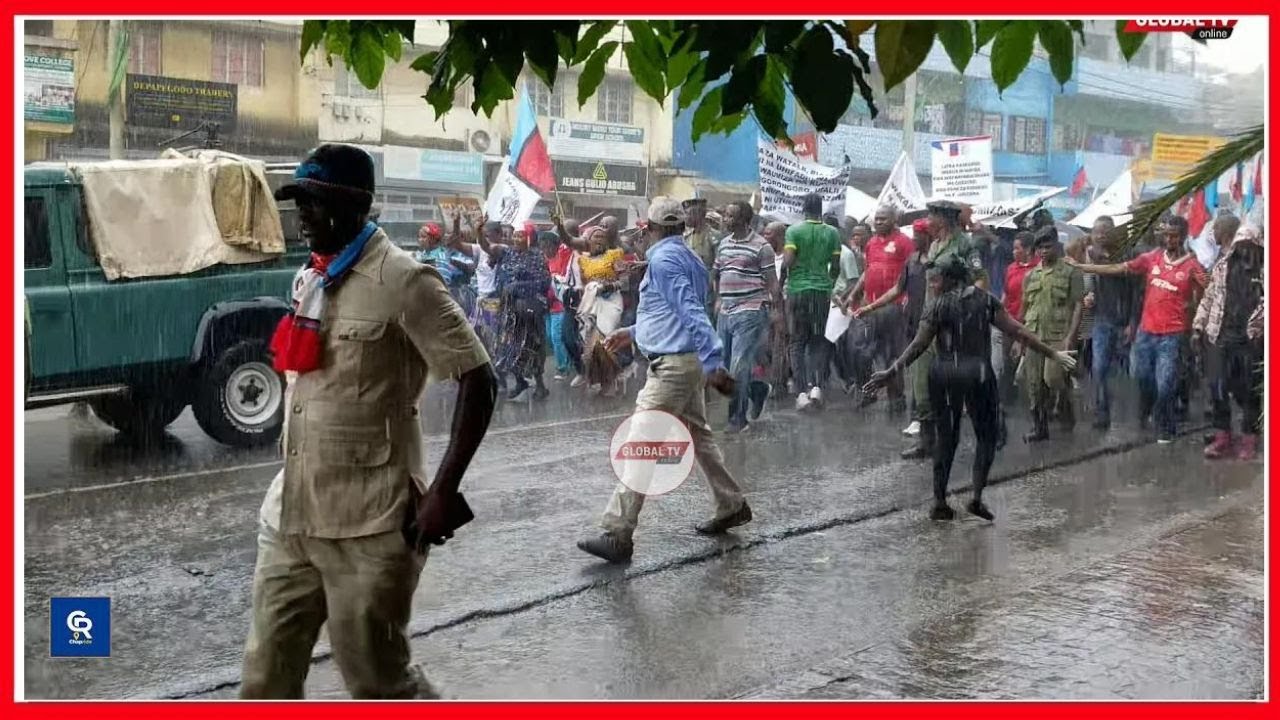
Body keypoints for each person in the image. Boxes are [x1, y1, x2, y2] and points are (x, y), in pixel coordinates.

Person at [243, 144, 496, 699]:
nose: (301, 215)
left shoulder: (405, 281)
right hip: (291, 517)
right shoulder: (310, 279)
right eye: (297, 202)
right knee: (264, 680)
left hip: (370, 525)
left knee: (378, 682)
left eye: (312, 201)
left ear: (354, 204)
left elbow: (479, 379)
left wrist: (442, 491)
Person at [577, 197, 752, 564]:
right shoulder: (689, 258)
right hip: (682, 362)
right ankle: (731, 503)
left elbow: (689, 310)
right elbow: (671, 312)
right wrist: (633, 331)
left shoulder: (663, 259)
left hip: (672, 368)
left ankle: (618, 532)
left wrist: (714, 360)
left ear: (652, 230)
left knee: (641, 443)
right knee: (700, 438)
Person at [865, 254, 1076, 521]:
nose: (931, 285)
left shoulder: (937, 306)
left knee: (946, 438)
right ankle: (975, 497)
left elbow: (919, 345)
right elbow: (1017, 330)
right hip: (977, 373)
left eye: (936, 280)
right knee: (986, 437)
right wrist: (1052, 354)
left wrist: (892, 370)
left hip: (943, 374)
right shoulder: (984, 300)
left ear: (951, 278)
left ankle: (940, 502)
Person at [1067, 215, 1208, 443]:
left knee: (1166, 382)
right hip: (1146, 332)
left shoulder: (1193, 265)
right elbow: (1118, 268)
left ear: (1182, 236)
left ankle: (1165, 427)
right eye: (1166, 234)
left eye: (1174, 235)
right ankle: (1149, 410)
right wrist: (1083, 266)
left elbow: (1209, 290)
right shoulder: (1151, 258)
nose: (1169, 239)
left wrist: (1195, 315)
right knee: (1142, 377)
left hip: (1172, 335)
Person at [853, 217, 932, 437]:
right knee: (916, 368)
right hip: (913, 320)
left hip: (934, 321)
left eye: (918, 235)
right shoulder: (913, 261)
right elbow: (897, 289)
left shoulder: (937, 261)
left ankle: (924, 414)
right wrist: (869, 307)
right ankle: (918, 415)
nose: (914, 239)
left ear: (928, 236)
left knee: (924, 368)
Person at [1194, 224, 1264, 460]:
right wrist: (1198, 325)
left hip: (1252, 341)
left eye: (1249, 246)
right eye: (1240, 245)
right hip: (1220, 335)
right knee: (1218, 387)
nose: (1245, 251)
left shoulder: (1265, 270)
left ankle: (1248, 438)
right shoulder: (1223, 266)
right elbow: (1209, 297)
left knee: (1248, 391)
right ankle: (1223, 435)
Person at [712, 201, 783, 433]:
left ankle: (737, 418)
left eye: (730, 216)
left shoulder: (762, 247)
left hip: (751, 311)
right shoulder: (723, 244)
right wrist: (718, 299)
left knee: (739, 366)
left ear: (744, 219)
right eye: (726, 215)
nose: (725, 219)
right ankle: (756, 389)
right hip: (726, 311)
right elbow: (717, 273)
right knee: (722, 367)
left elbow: (772, 282)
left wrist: (777, 311)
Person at [1019, 228, 1085, 442]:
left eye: (1048, 247)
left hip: (1058, 335)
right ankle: (1039, 427)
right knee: (1034, 384)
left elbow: (1077, 305)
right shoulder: (1031, 275)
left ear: (1057, 246)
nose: (1044, 251)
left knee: (1053, 378)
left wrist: (1071, 336)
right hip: (1034, 334)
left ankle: (1065, 407)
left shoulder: (1070, 271)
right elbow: (1025, 306)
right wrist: (1019, 337)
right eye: (1040, 248)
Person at [845, 206, 911, 409]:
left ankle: (896, 399)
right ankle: (868, 390)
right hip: (870, 308)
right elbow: (868, 271)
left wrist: (908, 300)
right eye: (877, 219)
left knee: (893, 355)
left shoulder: (905, 243)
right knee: (859, 349)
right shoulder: (871, 243)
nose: (879, 222)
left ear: (894, 220)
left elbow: (912, 273)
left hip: (895, 307)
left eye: (884, 218)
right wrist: (854, 293)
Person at [784, 193, 843, 411]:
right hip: (821, 292)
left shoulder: (794, 231)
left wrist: (785, 271)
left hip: (798, 291)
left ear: (803, 209)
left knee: (797, 343)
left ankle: (801, 393)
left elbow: (788, 260)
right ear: (820, 209)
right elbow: (835, 266)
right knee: (818, 341)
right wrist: (828, 282)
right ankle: (817, 387)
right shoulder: (833, 233)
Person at [1083, 216, 1141, 429]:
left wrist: (1132, 323)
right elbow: (1089, 281)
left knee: (1129, 369)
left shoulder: (1128, 255)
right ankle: (1102, 412)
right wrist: (1088, 294)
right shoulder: (1090, 256)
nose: (1100, 235)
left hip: (1123, 319)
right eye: (1097, 231)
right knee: (1099, 368)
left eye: (1104, 231)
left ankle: (1132, 414)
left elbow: (1136, 291)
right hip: (1102, 319)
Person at [492, 222, 553, 402]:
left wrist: (518, 286)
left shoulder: (537, 256)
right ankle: (520, 381)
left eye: (521, 235)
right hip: (508, 309)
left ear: (530, 237)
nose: (517, 239)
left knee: (532, 345)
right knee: (508, 346)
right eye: (515, 235)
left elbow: (543, 283)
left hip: (529, 308)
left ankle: (540, 385)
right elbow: (488, 249)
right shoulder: (507, 254)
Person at [999, 231, 1040, 397]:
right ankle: (1007, 398)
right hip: (1010, 320)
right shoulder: (1011, 268)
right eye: (1013, 248)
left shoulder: (1038, 268)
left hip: (1031, 322)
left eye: (1017, 248)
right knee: (1008, 360)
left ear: (1028, 250)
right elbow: (1006, 293)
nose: (1013, 252)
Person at [416, 220, 478, 319]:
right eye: (419, 237)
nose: (420, 240)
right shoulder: (422, 254)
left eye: (423, 237)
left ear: (432, 239)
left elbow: (443, 281)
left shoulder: (441, 255)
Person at [758, 220, 792, 399]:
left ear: (780, 236)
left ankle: (779, 383)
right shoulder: (764, 256)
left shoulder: (788, 256)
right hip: (765, 304)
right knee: (767, 345)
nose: (764, 237)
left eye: (768, 234)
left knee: (780, 343)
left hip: (784, 304)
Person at [541, 230, 575, 381]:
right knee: (549, 336)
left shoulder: (563, 257)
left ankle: (563, 368)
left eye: (549, 246)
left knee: (557, 337)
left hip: (560, 305)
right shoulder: (542, 260)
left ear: (556, 245)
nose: (546, 250)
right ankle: (570, 359)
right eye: (543, 247)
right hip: (546, 305)